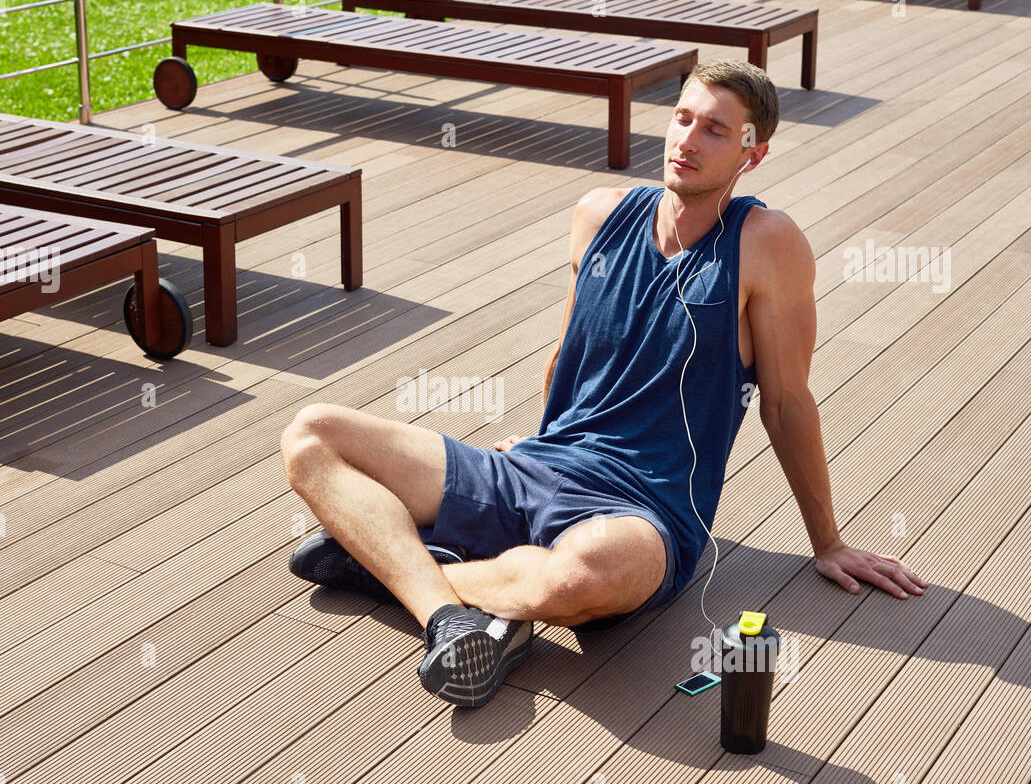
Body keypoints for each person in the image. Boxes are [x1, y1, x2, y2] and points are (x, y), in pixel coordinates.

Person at [279, 59, 927, 709]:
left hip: (640, 511)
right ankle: (449, 612)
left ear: (751, 155)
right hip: (533, 469)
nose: (687, 140)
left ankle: (388, 564)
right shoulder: (599, 214)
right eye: (682, 119)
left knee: (579, 579)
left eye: (715, 131)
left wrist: (828, 542)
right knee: (313, 435)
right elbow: (567, 352)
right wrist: (537, 442)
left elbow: (786, 404)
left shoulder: (766, 243)